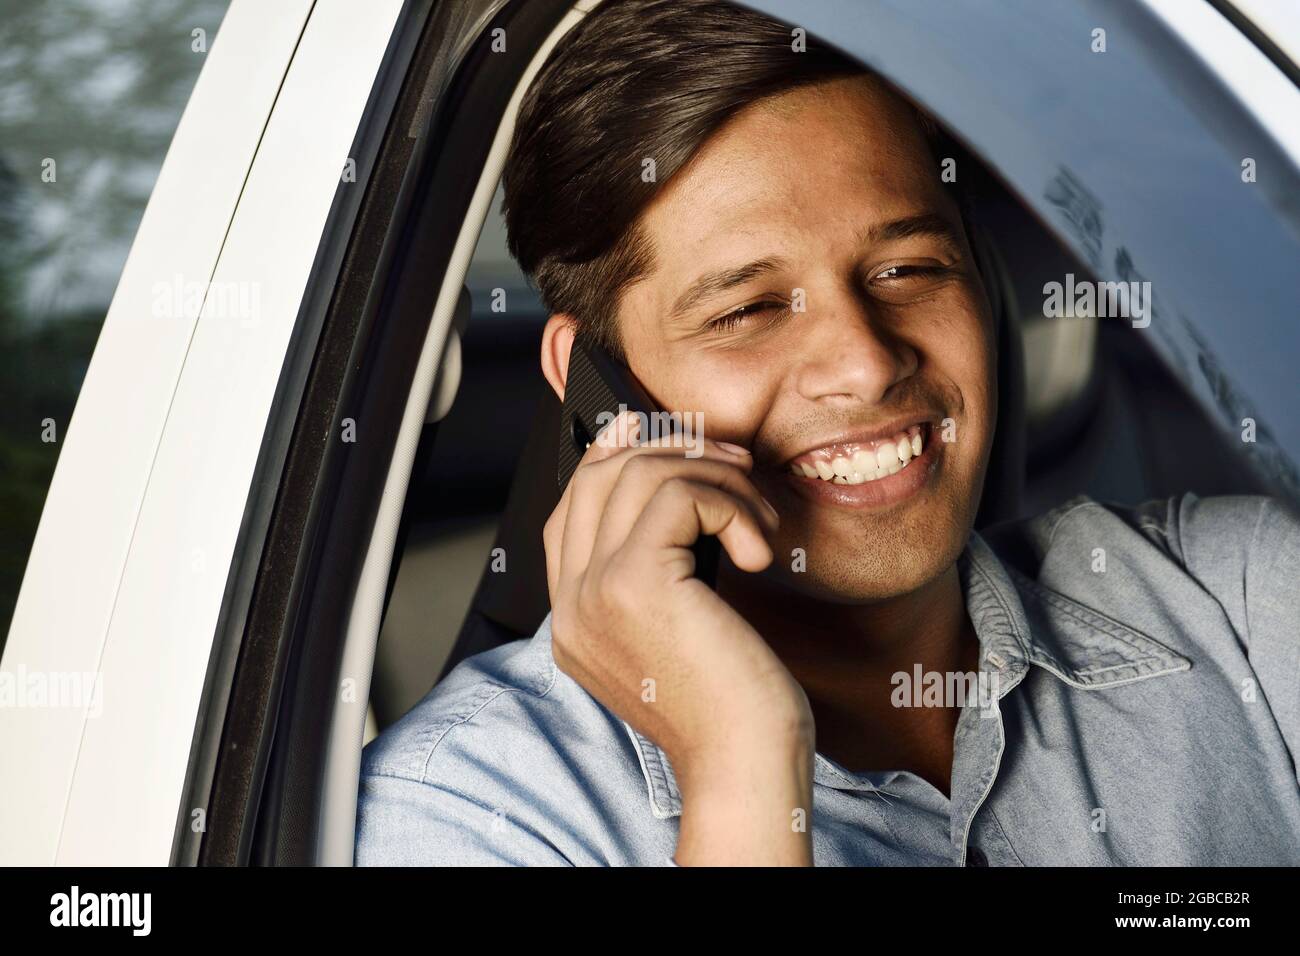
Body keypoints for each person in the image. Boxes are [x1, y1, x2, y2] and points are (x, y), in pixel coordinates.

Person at [354, 0, 1300, 866]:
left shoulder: (1241, 604)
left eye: (906, 270)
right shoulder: (462, 809)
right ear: (594, 384)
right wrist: (740, 761)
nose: (865, 362)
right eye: (749, 310)